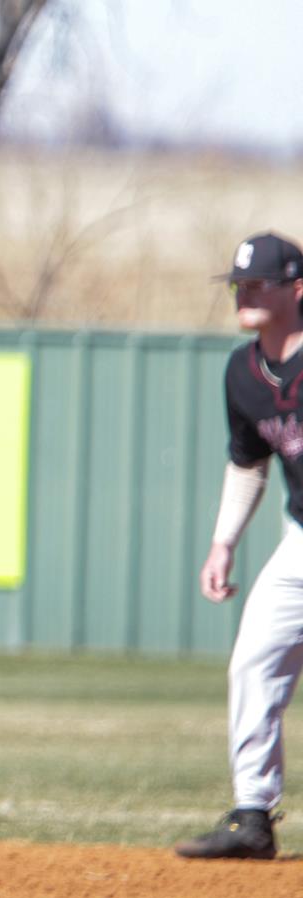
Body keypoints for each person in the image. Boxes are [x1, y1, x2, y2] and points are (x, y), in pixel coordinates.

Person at [176, 231, 303, 861]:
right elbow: (249, 462)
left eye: (257, 283)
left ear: (297, 289)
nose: (243, 293)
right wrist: (223, 543)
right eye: (238, 284)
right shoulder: (242, 372)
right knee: (253, 659)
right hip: (300, 540)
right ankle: (252, 816)